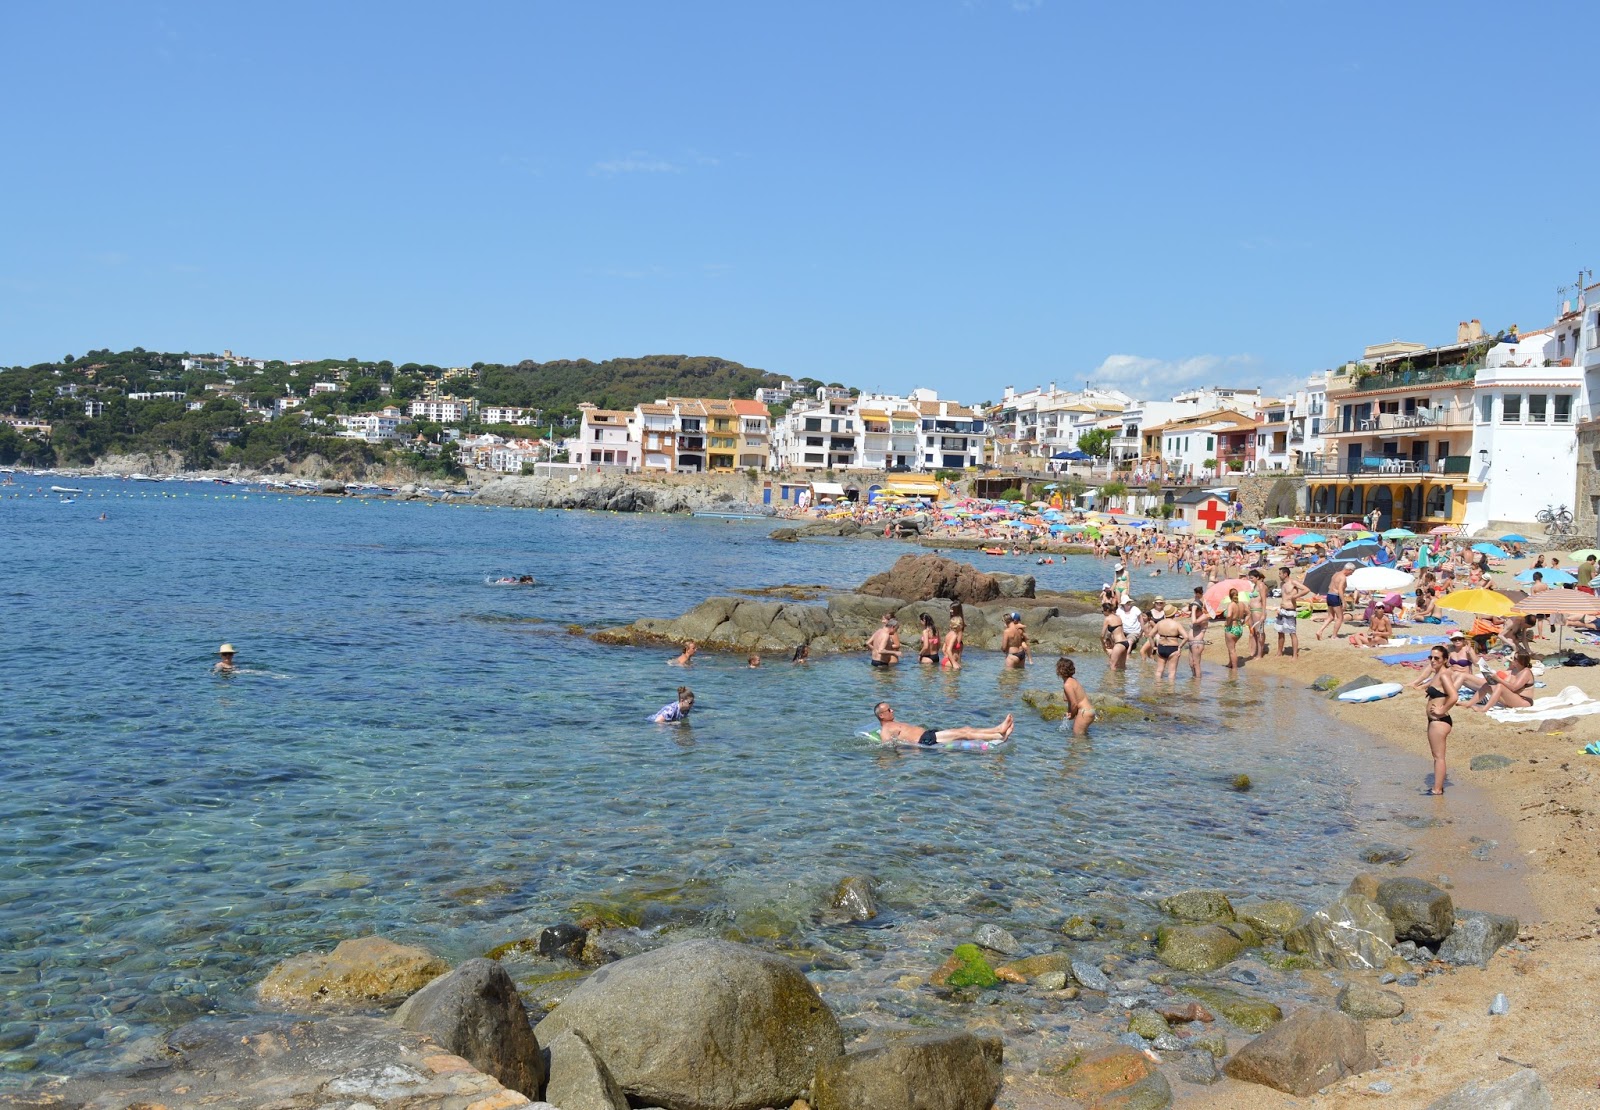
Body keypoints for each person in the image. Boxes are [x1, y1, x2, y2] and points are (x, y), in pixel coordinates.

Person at [1412, 647, 1458, 795]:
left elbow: (1454, 696)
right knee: (1436, 756)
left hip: (1439, 721)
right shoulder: (1438, 674)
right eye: (1430, 657)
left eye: (1436, 658)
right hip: (1435, 721)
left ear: (1445, 660)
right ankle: (1438, 787)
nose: (1432, 660)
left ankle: (1437, 790)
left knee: (1439, 757)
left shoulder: (1444, 675)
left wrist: (1441, 710)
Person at [871, 701, 1014, 748]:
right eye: (889, 710)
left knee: (965, 731)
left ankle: (998, 734)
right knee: (964, 732)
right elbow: (887, 747)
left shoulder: (892, 724)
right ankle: (998, 731)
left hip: (928, 736)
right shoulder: (886, 729)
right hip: (926, 740)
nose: (892, 710)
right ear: (882, 715)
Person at [1470, 652, 1536, 712]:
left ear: (1521, 661)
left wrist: (1498, 679)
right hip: (1513, 697)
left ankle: (1484, 709)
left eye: (1515, 658)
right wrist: (1491, 678)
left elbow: (1514, 688)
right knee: (1487, 685)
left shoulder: (1526, 672)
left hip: (1523, 700)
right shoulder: (1515, 670)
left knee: (1500, 686)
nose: (1513, 660)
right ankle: (1469, 703)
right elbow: (1505, 683)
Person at [1055, 657, 1095, 736]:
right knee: (1081, 738)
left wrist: (1072, 715)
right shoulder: (1072, 680)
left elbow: (1074, 703)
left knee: (1077, 739)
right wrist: (1069, 712)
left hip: (1084, 712)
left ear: (1060, 670)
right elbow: (1071, 702)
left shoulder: (1067, 685)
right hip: (1088, 711)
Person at [1276, 567, 1309, 656]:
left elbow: (1306, 589)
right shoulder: (1282, 584)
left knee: (1292, 633)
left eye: (1280, 573)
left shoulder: (1293, 582)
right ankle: (1279, 652)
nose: (1279, 575)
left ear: (1285, 574)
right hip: (1282, 610)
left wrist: (1296, 596)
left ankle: (1295, 655)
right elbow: (1283, 597)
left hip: (1290, 610)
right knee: (1280, 632)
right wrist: (1279, 608)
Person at [1316, 564, 1353, 640]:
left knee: (1330, 617)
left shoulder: (1336, 574)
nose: (1351, 574)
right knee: (1340, 617)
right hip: (1335, 596)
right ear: (1348, 570)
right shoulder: (1342, 577)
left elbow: (1329, 586)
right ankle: (1334, 636)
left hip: (1329, 595)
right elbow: (1340, 590)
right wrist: (1344, 602)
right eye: (1352, 572)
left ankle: (1319, 631)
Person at [1152, 606, 1187, 680]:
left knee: (1159, 670)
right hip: (1172, 648)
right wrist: (1180, 647)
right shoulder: (1176, 624)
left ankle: (1158, 689)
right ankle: (1170, 690)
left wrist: (1153, 646)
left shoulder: (1159, 623)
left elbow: (1150, 635)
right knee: (1172, 672)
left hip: (1161, 647)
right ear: (1174, 614)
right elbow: (1186, 637)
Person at [1222, 587, 1250, 671]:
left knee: (1232, 649)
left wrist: (1227, 622)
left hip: (1231, 628)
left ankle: (1234, 669)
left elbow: (1229, 615)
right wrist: (1244, 622)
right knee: (1232, 646)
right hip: (1239, 628)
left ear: (1230, 596)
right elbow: (1248, 613)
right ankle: (1230, 663)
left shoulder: (1231, 605)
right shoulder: (1242, 604)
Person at [1186, 591, 1210, 679]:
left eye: (1196, 610)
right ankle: (1194, 679)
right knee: (1191, 664)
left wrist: (1193, 609)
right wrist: (1192, 606)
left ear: (1199, 610)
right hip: (1191, 643)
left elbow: (1194, 622)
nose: (1193, 612)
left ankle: (1197, 683)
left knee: (1196, 664)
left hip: (1197, 643)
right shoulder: (1195, 615)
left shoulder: (1204, 616)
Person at [1246, 570, 1269, 659]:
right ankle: (1255, 651)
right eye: (1249, 578)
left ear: (1257, 577)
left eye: (1252, 578)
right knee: (1253, 632)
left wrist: (1263, 614)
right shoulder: (1255, 586)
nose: (1250, 580)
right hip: (1252, 611)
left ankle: (1260, 654)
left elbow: (1264, 600)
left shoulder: (1261, 585)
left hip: (1258, 611)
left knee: (1260, 632)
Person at [1101, 601, 1129, 670]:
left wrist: (1102, 642)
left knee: (1112, 665)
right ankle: (1121, 680)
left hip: (1119, 644)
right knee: (1122, 666)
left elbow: (1102, 635)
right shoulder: (1118, 617)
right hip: (1125, 642)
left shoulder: (1107, 619)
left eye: (1102, 611)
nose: (1103, 613)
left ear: (1107, 610)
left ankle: (1112, 680)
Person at [941, 603, 965, 670]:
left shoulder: (951, 634)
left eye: (952, 609)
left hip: (948, 660)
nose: (950, 611)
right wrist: (954, 662)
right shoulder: (954, 635)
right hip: (950, 661)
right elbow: (948, 649)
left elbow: (943, 649)